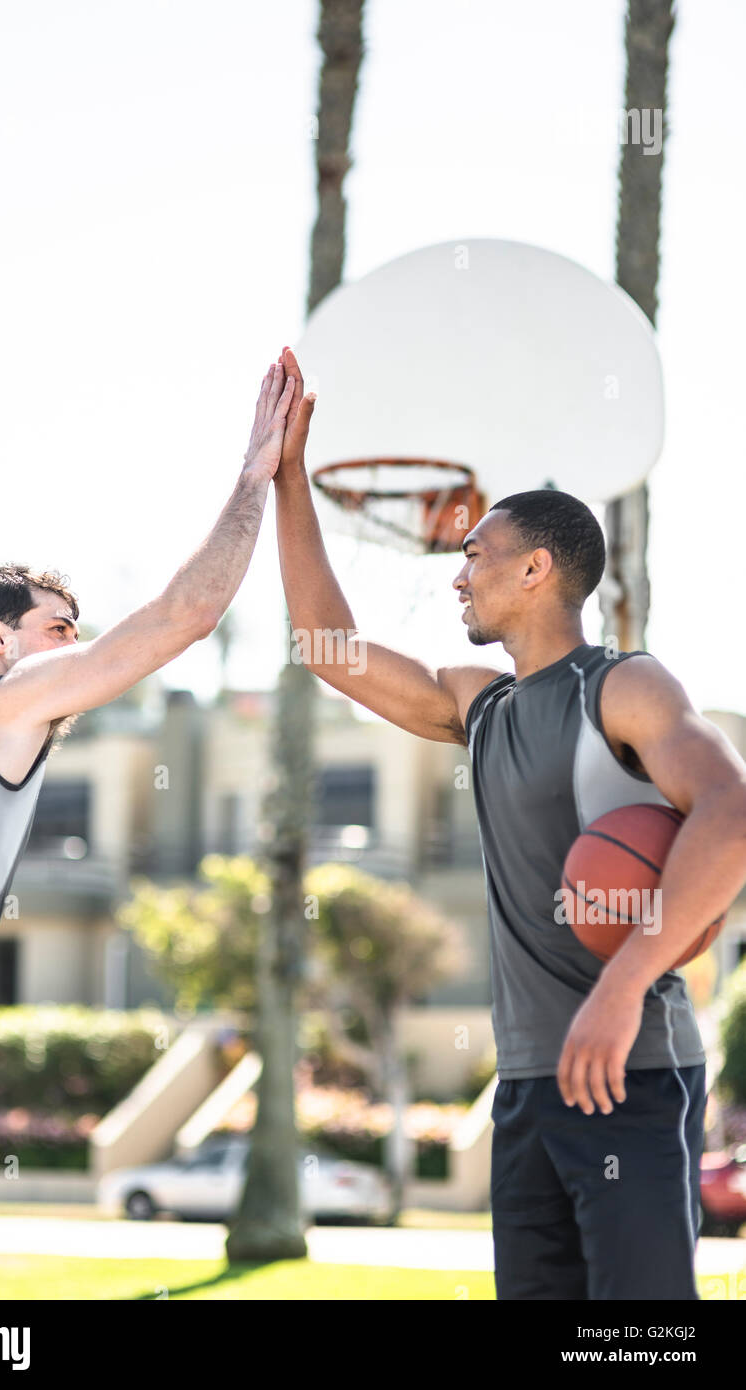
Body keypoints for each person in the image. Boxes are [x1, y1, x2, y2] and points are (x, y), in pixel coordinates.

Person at [273, 344, 746, 1300]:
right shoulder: (478, 704)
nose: (457, 577)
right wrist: (287, 477)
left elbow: (732, 814)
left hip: (631, 1068)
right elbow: (324, 646)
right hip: (528, 1084)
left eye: (474, 558)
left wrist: (622, 987)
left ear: (535, 569)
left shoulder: (623, 685)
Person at [0, 358, 296, 1300]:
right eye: (61, 628)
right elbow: (184, 618)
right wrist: (251, 478)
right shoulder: (1, 707)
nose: (78, 647)